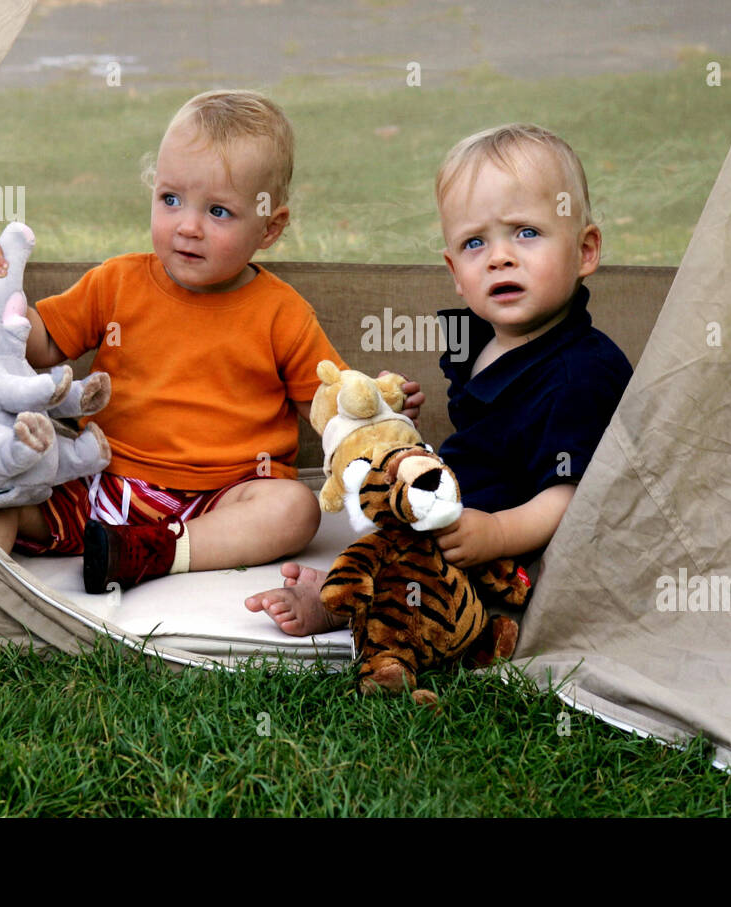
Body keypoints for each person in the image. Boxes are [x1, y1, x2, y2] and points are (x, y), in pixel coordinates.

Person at [0, 89, 420, 593]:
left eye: (218, 212)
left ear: (269, 228)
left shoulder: (281, 313)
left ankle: (156, 552)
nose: (187, 227)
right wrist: (2, 295)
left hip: (224, 498)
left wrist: (377, 409)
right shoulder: (117, 282)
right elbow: (44, 344)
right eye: (171, 199)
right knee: (3, 497)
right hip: (100, 478)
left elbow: (327, 403)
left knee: (293, 509)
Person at [246, 122, 632, 635]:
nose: (500, 256)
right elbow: (485, 438)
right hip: (466, 510)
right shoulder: (481, 340)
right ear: (454, 270)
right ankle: (357, 579)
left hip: (520, 549)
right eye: (475, 243)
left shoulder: (578, 373)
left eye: (527, 232)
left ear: (585, 250)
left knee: (427, 581)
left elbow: (574, 495)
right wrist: (400, 420)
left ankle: (344, 604)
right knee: (392, 508)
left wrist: (496, 532)